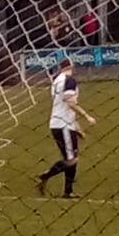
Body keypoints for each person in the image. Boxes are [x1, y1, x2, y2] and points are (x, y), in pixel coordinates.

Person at [36, 59, 95, 199]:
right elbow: (70, 102)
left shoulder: (56, 81)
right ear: (71, 67)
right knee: (71, 159)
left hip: (61, 123)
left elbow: (62, 104)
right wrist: (87, 116)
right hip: (63, 125)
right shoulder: (70, 81)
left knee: (72, 157)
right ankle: (45, 176)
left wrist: (77, 127)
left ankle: (68, 191)